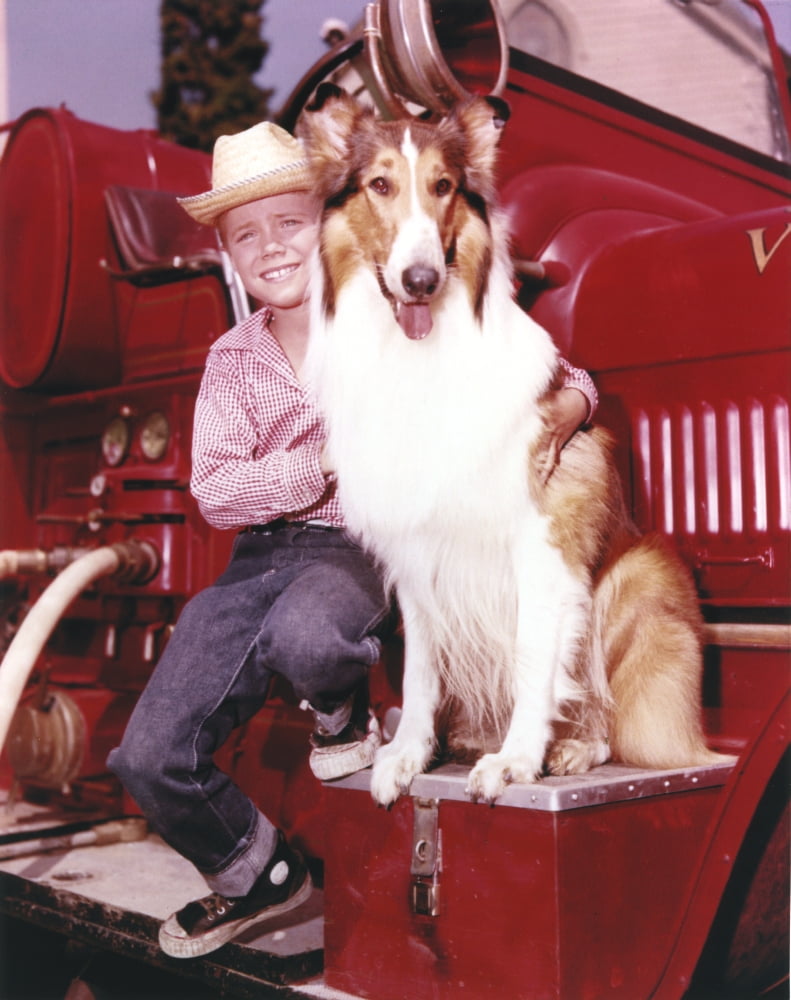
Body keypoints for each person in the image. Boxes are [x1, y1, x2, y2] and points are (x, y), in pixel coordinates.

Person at [108, 120, 598, 960]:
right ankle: (257, 874)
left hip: (356, 547)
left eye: (287, 223)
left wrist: (576, 399)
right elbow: (215, 491)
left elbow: (511, 359)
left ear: (329, 221)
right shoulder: (233, 359)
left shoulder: (394, 309)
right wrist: (316, 463)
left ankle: (342, 719)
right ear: (225, 252)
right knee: (144, 754)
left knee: (309, 631)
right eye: (244, 235)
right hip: (258, 554)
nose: (270, 247)